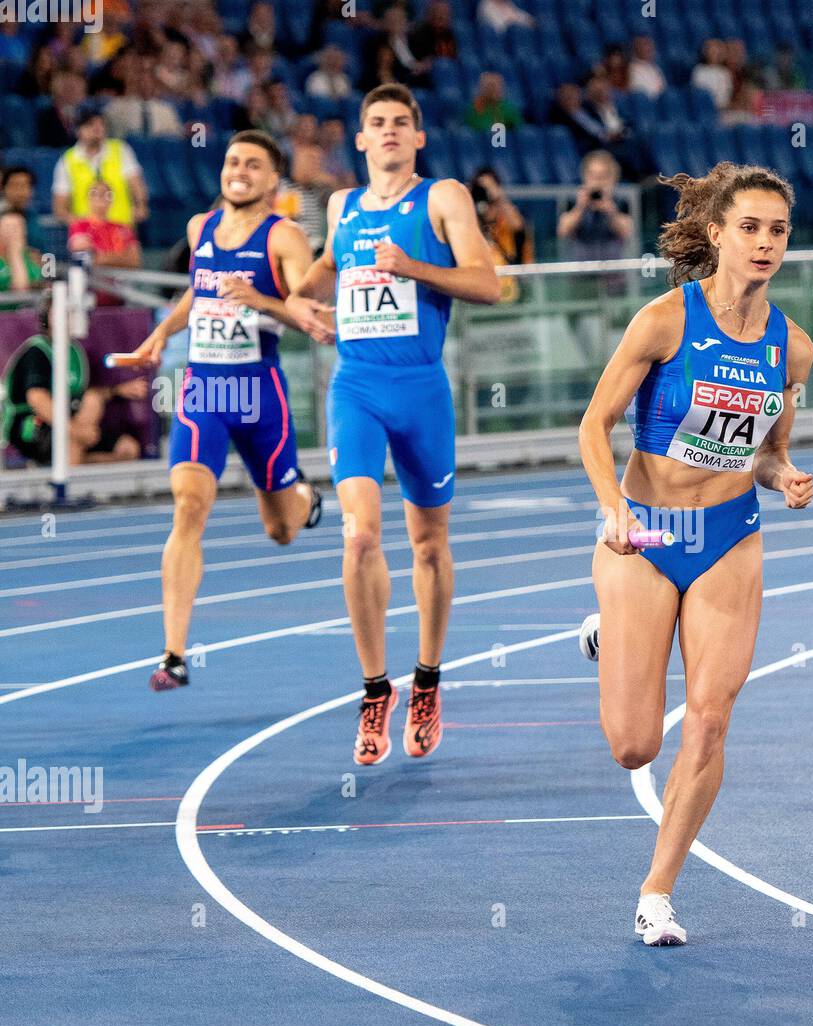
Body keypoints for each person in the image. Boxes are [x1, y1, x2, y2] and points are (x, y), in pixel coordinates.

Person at [576, 162, 813, 946]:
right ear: (716, 233)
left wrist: (784, 476)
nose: (764, 243)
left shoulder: (792, 349)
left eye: (777, 230)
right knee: (634, 745)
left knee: (709, 722)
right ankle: (610, 628)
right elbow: (593, 425)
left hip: (727, 541)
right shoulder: (663, 321)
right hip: (643, 537)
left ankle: (657, 892)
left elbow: (769, 451)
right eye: (749, 227)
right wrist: (612, 507)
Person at [285, 83, 502, 765]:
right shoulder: (342, 205)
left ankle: (428, 680)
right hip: (356, 387)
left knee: (430, 547)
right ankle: (376, 688)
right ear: (358, 138)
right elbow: (325, 271)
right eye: (374, 122)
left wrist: (409, 265)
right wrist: (299, 304)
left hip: (422, 390)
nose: (386, 132)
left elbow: (489, 283)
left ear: (418, 137)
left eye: (399, 123)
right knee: (359, 539)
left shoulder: (443, 198)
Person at [125, 131, 324, 691]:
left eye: (253, 165)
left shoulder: (284, 238)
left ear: (272, 180)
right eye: (233, 161)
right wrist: (163, 331)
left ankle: (304, 498)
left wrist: (261, 300)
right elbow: (198, 292)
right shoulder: (200, 228)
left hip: (260, 394)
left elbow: (309, 313)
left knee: (280, 529)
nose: (238, 171)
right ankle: (173, 654)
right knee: (189, 506)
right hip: (203, 392)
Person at [1, 291, 151, 467]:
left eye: (71, 312)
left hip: (72, 420)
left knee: (127, 449)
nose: (67, 317)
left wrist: (117, 390)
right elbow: (37, 399)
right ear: (46, 317)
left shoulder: (75, 352)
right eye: (60, 312)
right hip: (32, 425)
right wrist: (74, 430)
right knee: (71, 443)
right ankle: (70, 472)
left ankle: (73, 465)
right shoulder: (37, 351)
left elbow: (83, 396)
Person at [52, 109, 148, 228]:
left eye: (101, 125)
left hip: (122, 230)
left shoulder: (121, 150)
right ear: (78, 130)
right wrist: (79, 226)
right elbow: (60, 208)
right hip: (87, 237)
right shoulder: (67, 161)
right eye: (90, 125)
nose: (97, 129)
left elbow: (136, 184)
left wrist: (141, 206)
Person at [557, 150, 634, 261]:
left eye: (603, 176)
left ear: (613, 178)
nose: (598, 182)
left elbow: (627, 232)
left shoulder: (621, 200)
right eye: (593, 176)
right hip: (581, 268)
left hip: (613, 268)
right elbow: (563, 231)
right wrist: (580, 208)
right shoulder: (574, 200)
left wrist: (611, 211)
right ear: (585, 176)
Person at [470, 165, 532, 301]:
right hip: (480, 296)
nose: (485, 193)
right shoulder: (471, 220)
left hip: (510, 294)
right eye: (481, 188)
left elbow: (518, 227)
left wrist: (499, 198)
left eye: (488, 188)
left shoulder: (507, 217)